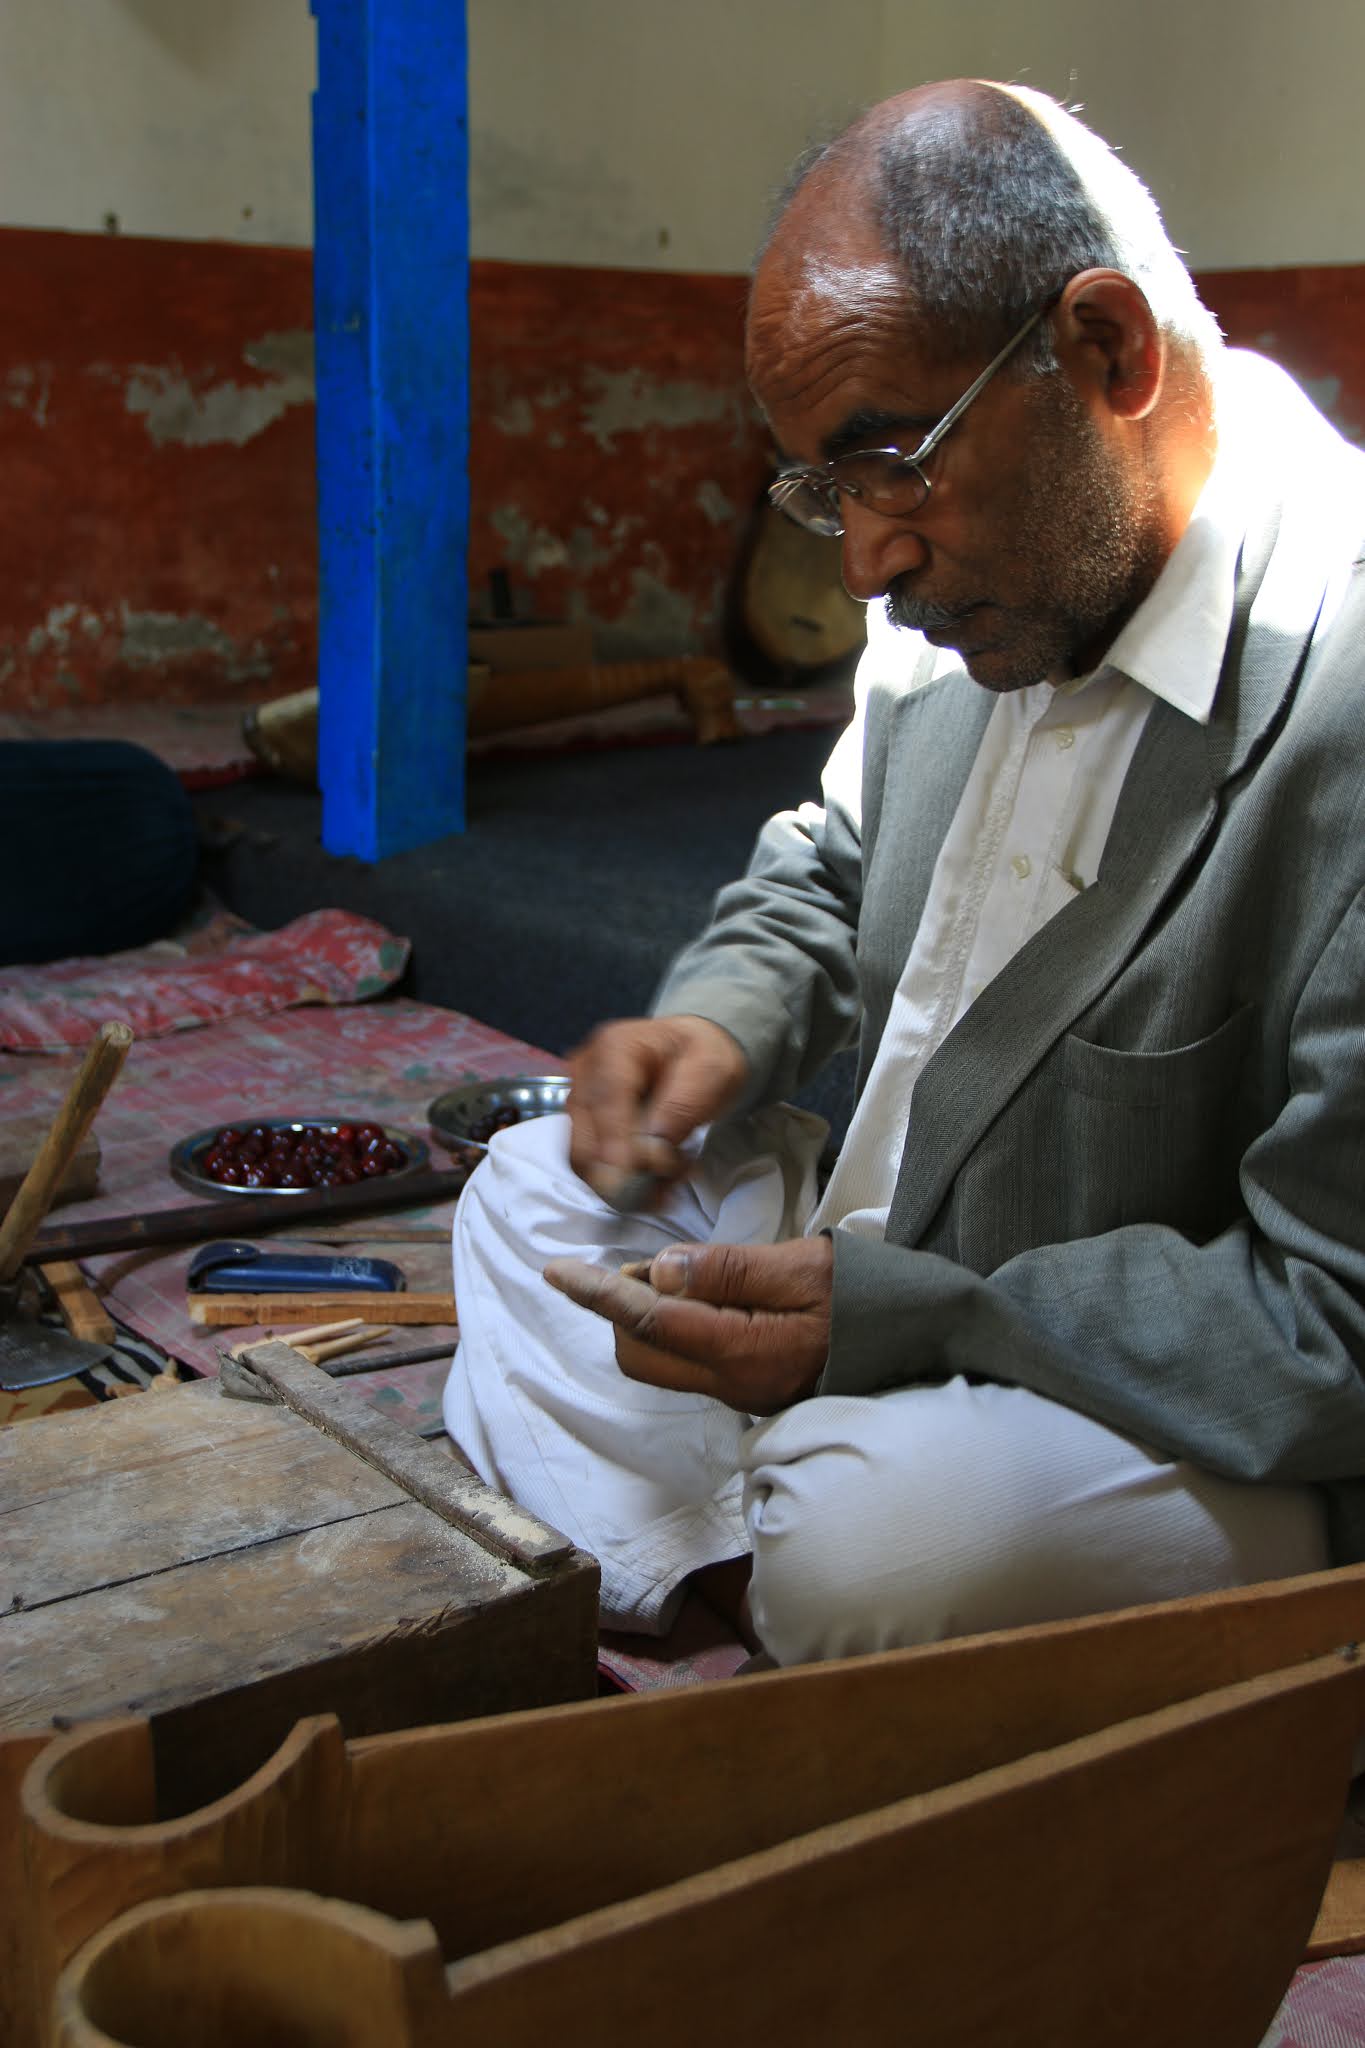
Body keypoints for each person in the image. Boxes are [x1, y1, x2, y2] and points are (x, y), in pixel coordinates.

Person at [444, 80, 1365, 1666]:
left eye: (892, 464)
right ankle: (775, 1593)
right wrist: (723, 1021)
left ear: (1107, 354)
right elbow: (832, 856)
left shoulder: (1335, 690)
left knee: (893, 1541)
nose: (861, 561)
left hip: (1189, 1399)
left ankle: (780, 1575)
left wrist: (912, 1318)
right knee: (530, 1196)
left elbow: (1331, 1328)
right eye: (823, 489)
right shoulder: (972, 595)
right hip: (905, 1253)